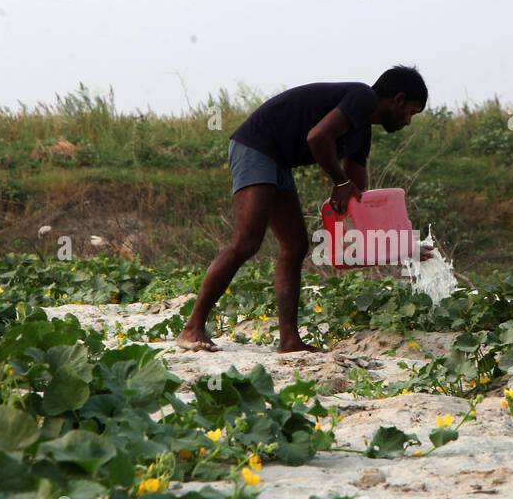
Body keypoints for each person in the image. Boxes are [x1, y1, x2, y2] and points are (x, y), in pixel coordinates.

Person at [176, 65, 428, 352]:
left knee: (295, 245)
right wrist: (340, 181)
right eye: (411, 111)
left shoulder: (362, 134)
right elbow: (317, 138)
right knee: (247, 241)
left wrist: (401, 245)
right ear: (398, 99)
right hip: (257, 145)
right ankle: (192, 328)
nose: (408, 121)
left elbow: (361, 202)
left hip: (278, 159)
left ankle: (289, 340)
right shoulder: (362, 96)